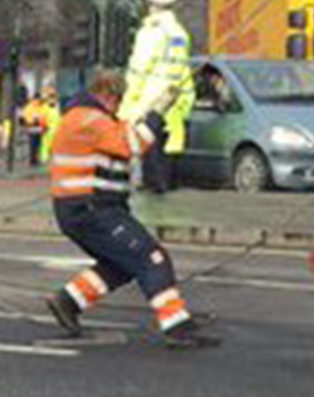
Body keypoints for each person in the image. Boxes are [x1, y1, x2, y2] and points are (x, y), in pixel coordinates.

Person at [43, 67, 215, 349]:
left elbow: (127, 133)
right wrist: (158, 113)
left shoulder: (88, 118)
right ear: (106, 94)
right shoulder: (89, 119)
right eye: (118, 98)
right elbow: (131, 144)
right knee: (151, 258)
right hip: (92, 209)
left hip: (84, 210)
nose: (120, 105)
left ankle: (68, 301)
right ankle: (177, 326)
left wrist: (150, 115)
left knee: (122, 264)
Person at [121, 0, 193, 194]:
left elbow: (140, 66)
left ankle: (152, 183)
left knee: (145, 140)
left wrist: (130, 97)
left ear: (152, 7)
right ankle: (163, 183)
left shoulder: (151, 32)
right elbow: (181, 66)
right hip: (171, 96)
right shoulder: (179, 33)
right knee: (165, 142)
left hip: (149, 95)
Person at [17, 86, 58, 166]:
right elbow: (27, 118)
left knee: (36, 145)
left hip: (38, 128)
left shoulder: (35, 106)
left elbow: (43, 117)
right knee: (36, 145)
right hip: (36, 129)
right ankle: (34, 160)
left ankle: (34, 160)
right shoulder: (38, 107)